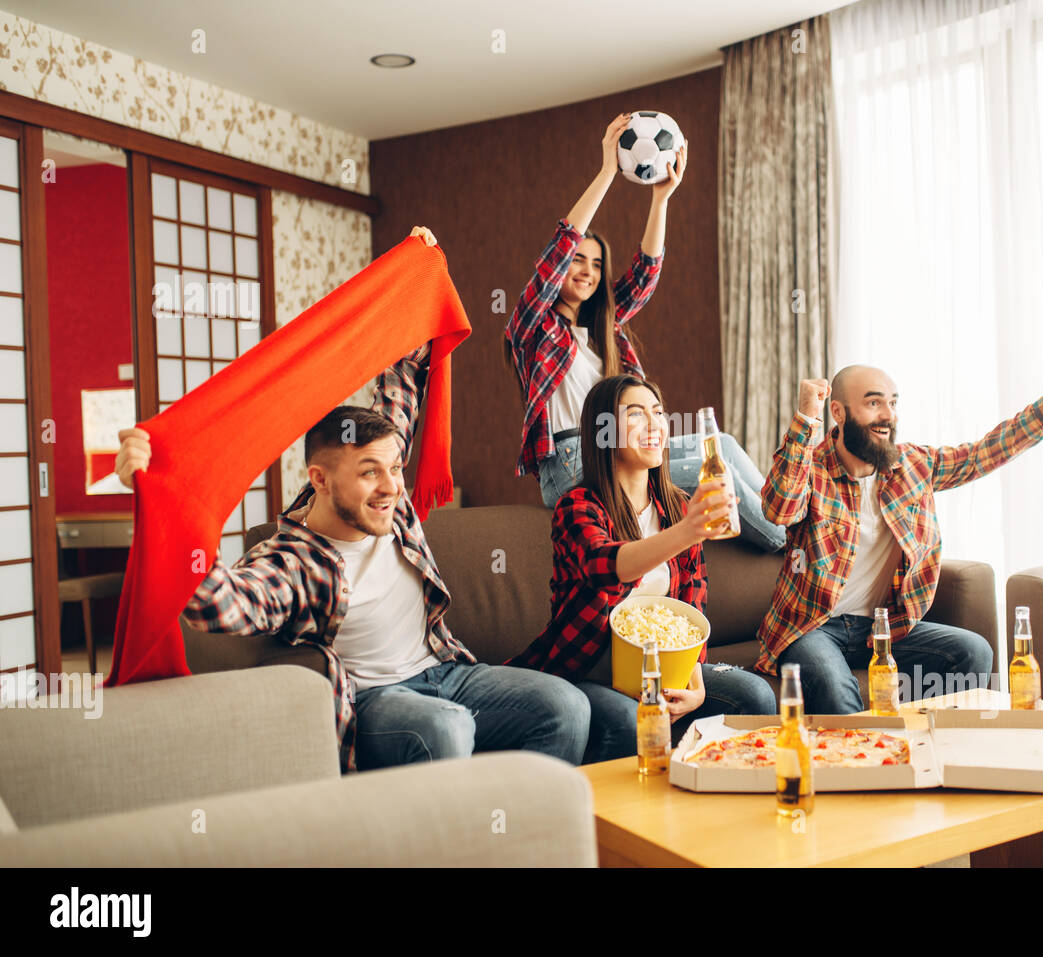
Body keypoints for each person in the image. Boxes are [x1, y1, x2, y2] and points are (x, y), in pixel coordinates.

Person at [114, 226, 590, 773]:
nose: (391, 486)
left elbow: (405, 374)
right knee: (447, 726)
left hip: (446, 668)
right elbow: (217, 605)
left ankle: (521, 831)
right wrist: (160, 500)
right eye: (369, 473)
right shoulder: (291, 560)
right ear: (318, 479)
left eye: (394, 468)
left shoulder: (392, 498)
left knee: (567, 706)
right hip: (375, 700)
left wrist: (417, 269)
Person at [503, 113, 786, 552]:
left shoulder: (606, 331)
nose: (587, 271)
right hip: (572, 462)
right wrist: (606, 173)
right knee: (718, 471)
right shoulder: (533, 327)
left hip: (622, 446)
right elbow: (560, 246)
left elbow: (645, 274)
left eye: (597, 265)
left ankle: (788, 520)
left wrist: (661, 199)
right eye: (578, 260)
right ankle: (788, 543)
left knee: (722, 445)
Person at [756, 363, 1043, 714]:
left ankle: (935, 747)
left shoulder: (913, 466)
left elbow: (982, 454)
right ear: (837, 412)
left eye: (893, 403)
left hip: (882, 628)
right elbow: (779, 509)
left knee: (973, 651)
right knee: (832, 684)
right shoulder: (812, 468)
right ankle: (866, 763)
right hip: (813, 627)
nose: (888, 415)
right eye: (874, 403)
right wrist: (806, 420)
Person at [508, 373, 776, 763]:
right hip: (592, 669)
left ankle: (722, 801)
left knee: (756, 694)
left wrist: (695, 680)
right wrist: (687, 532)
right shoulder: (579, 507)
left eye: (658, 413)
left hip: (665, 667)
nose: (654, 425)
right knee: (631, 720)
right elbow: (606, 567)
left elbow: (692, 601)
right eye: (635, 414)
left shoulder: (676, 505)